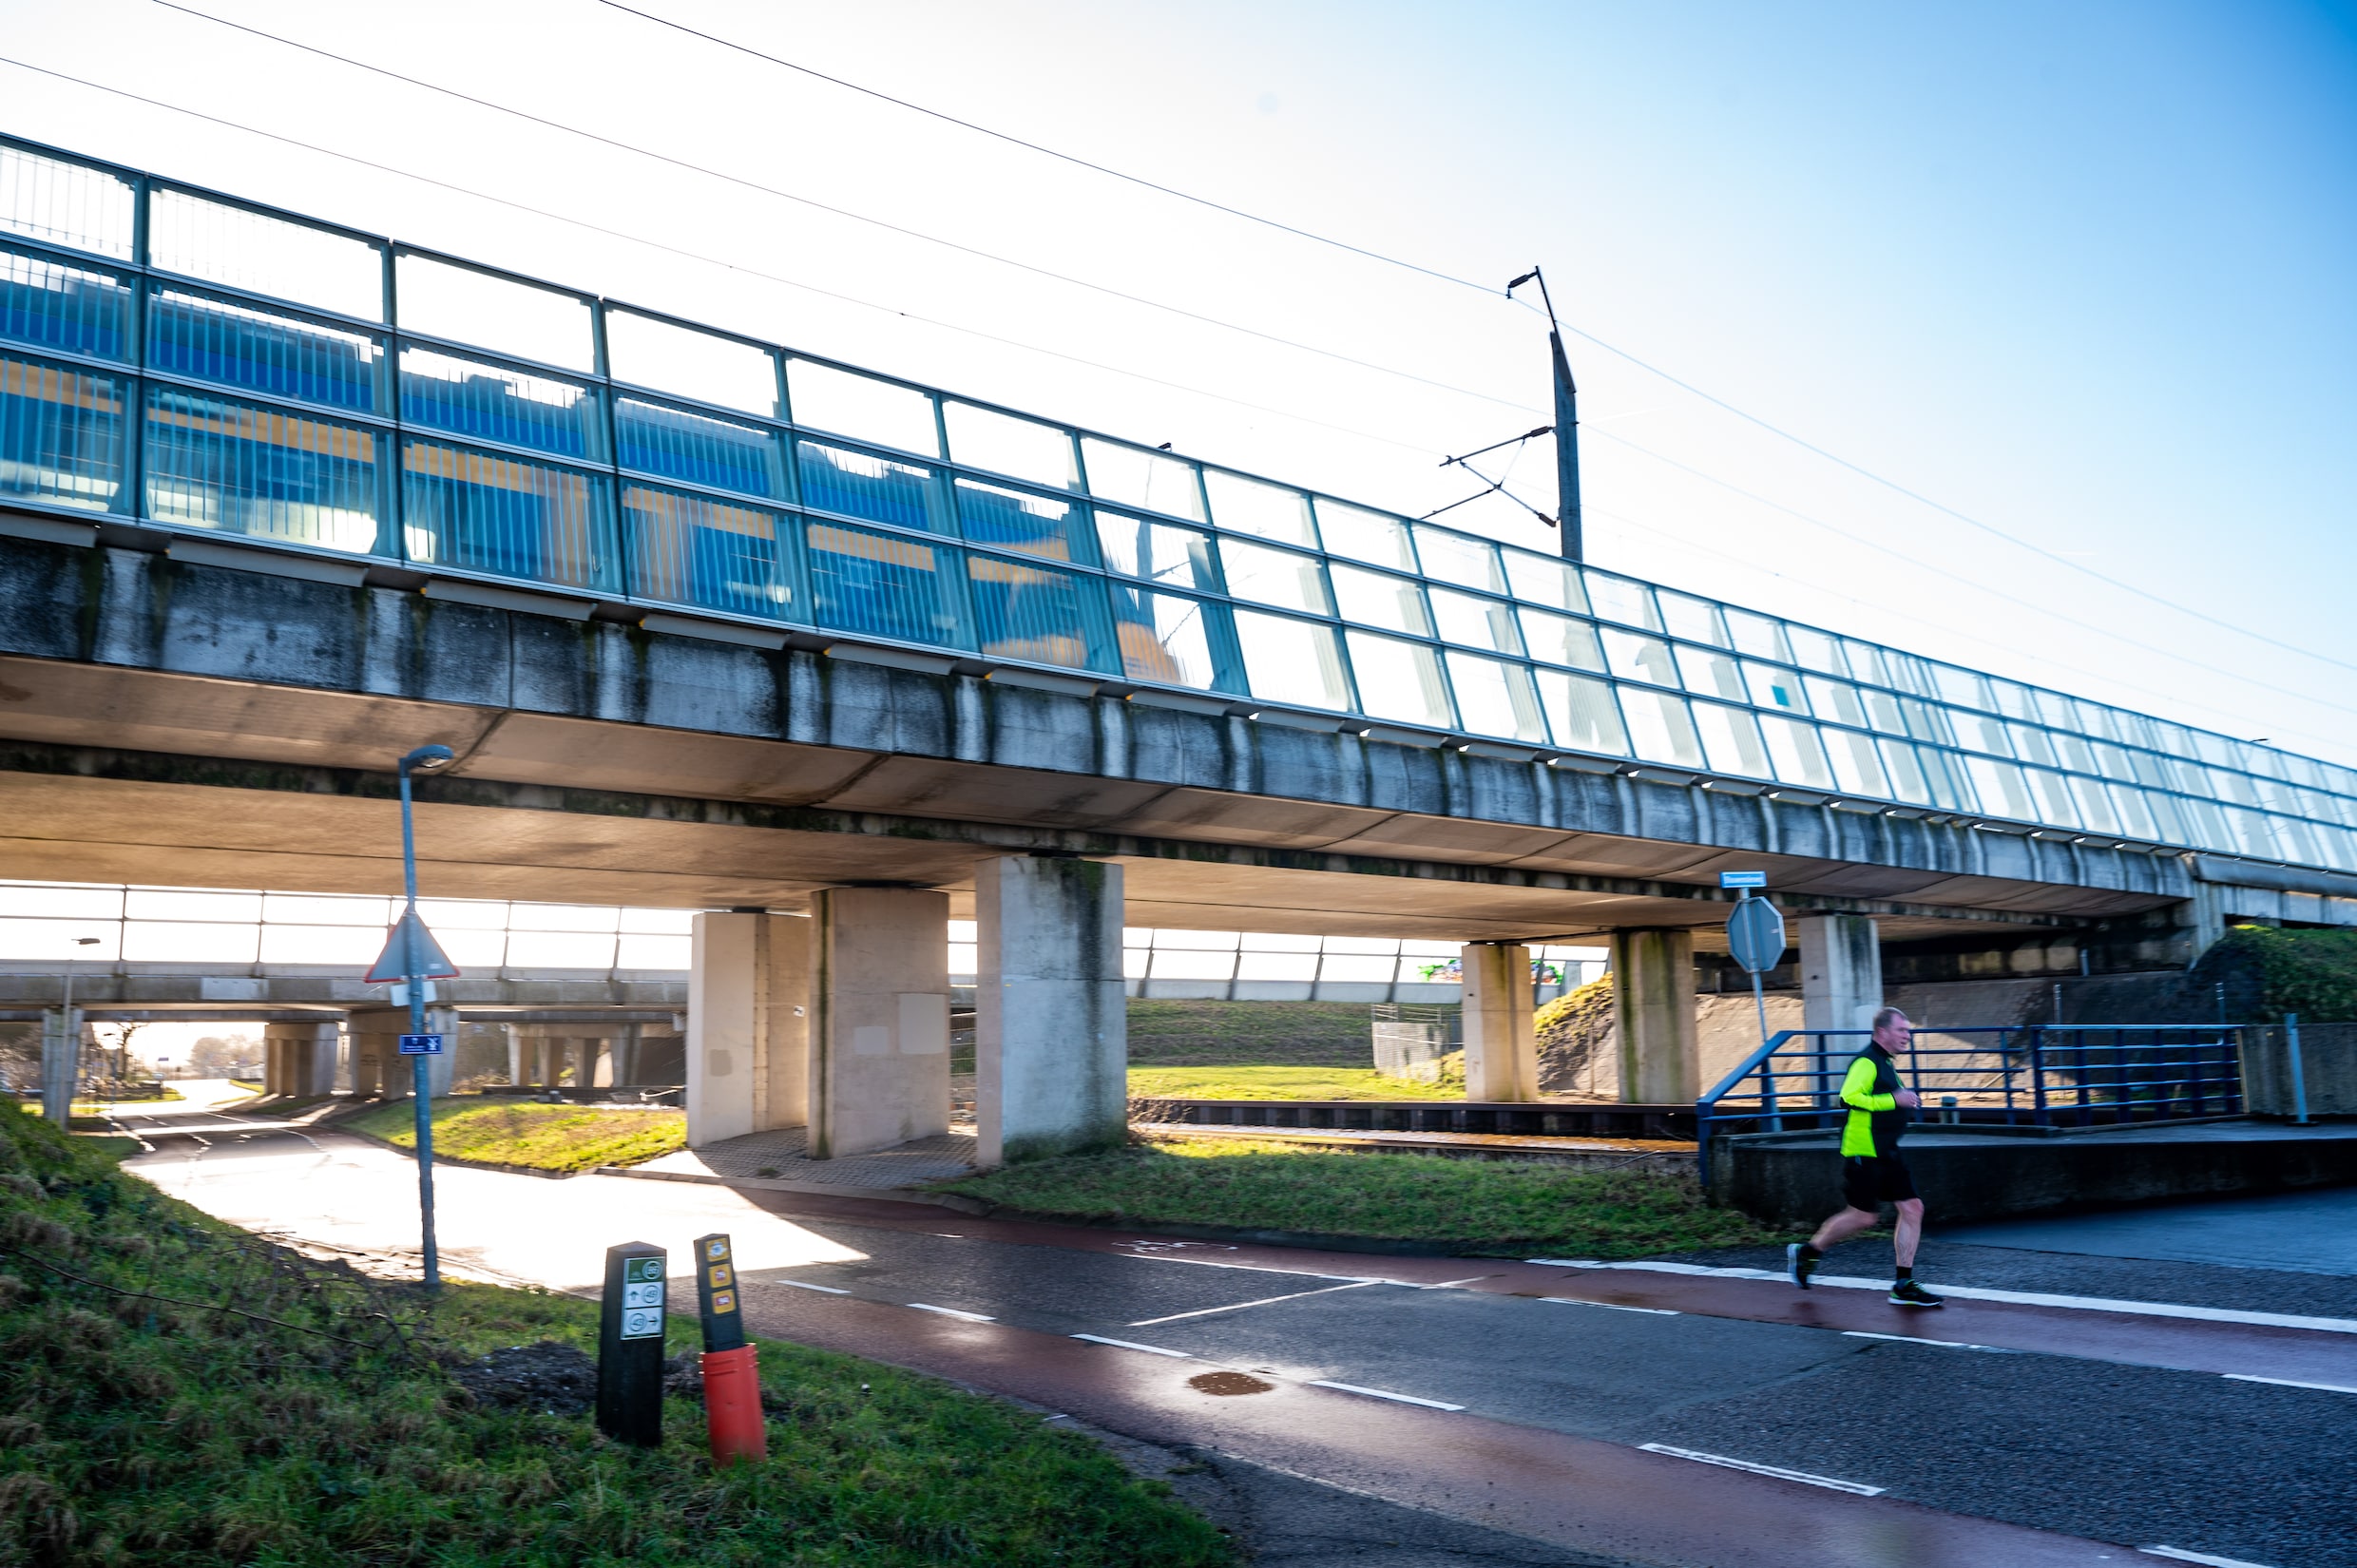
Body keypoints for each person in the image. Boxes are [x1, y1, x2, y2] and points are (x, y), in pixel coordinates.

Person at [1787, 1006, 1943, 1307]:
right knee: (1863, 1216)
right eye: (1901, 1030)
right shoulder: (1866, 1061)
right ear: (1882, 1032)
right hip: (1864, 1150)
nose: (1907, 1036)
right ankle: (1808, 1252)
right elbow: (1848, 1096)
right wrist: (1894, 1099)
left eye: (1908, 1031)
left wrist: (1904, 1101)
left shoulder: (1885, 1063)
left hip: (1887, 1150)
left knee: (1913, 1208)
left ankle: (1903, 1283)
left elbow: (1885, 1099)